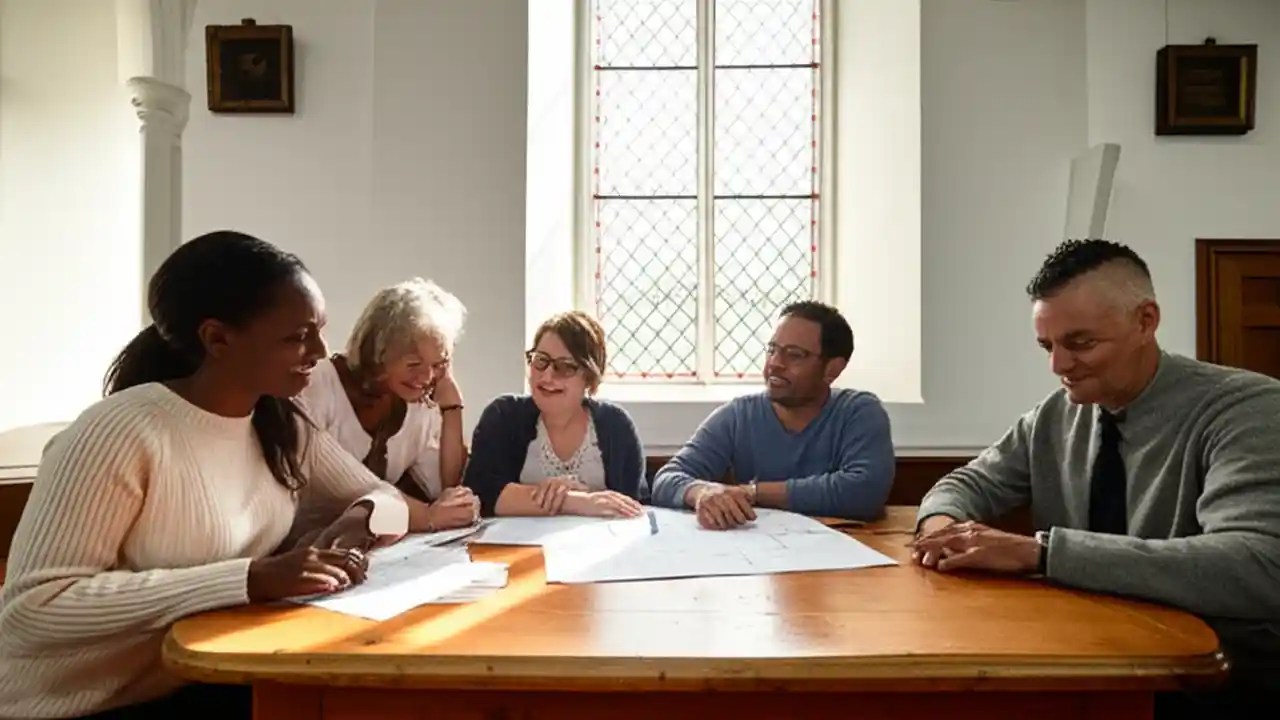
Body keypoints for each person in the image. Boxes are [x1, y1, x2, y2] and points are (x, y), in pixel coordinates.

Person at [0, 231, 436, 719]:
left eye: (319, 330)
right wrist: (247, 580)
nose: (319, 350)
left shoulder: (280, 423)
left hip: (202, 676)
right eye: (297, 336)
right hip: (76, 705)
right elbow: (35, 609)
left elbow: (383, 495)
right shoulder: (118, 432)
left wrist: (361, 519)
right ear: (218, 339)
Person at [912, 239, 1280, 717]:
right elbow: (964, 484)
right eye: (1047, 346)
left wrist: (1043, 554)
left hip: (1222, 681)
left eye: (1081, 343)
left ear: (1146, 321)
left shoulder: (1248, 409)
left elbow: (1258, 566)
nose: (1058, 366)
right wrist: (943, 529)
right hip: (1087, 658)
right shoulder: (1053, 417)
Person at [651, 301, 895, 529]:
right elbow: (666, 480)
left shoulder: (858, 412)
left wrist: (751, 493)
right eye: (772, 350)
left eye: (794, 354)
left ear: (832, 369)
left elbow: (865, 490)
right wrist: (701, 492)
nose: (775, 363)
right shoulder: (738, 416)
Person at [297, 278, 478, 531]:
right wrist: (426, 516)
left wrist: (452, 407)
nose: (426, 378)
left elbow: (444, 487)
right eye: (414, 364)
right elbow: (340, 488)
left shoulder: (417, 405)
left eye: (438, 365)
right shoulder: (316, 384)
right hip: (300, 543)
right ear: (378, 353)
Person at [464, 311, 646, 518]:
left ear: (589, 377)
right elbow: (482, 495)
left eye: (564, 367)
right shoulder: (503, 415)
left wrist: (535, 497)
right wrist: (573, 501)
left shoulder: (615, 425)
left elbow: (631, 507)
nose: (547, 376)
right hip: (519, 546)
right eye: (541, 361)